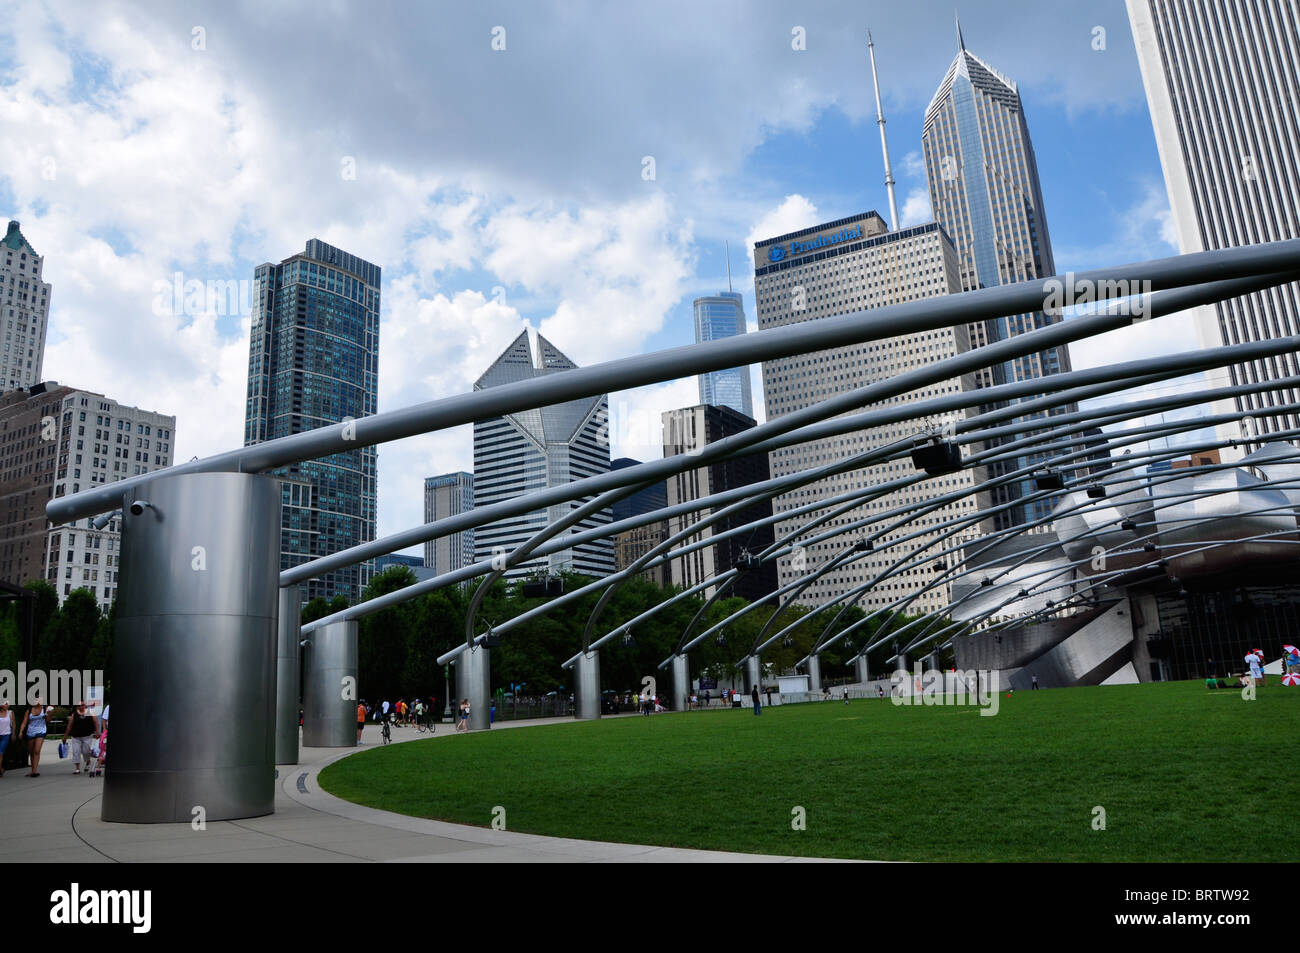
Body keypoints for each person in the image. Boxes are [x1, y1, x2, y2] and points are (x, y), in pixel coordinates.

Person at [62, 700, 99, 776]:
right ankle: (77, 768)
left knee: (86, 751)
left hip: (87, 736)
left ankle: (88, 761)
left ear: (85, 706)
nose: (80, 707)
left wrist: (97, 732)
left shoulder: (91, 712)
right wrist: (65, 736)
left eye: (82, 705)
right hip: (76, 736)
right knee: (76, 751)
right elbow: (69, 726)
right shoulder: (74, 714)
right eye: (79, 705)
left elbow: (96, 722)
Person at [18, 695, 48, 777]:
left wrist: (49, 714)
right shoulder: (29, 710)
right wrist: (21, 732)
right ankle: (32, 770)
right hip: (30, 732)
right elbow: (24, 722)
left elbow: (48, 720)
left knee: (37, 751)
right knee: (31, 752)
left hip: (41, 730)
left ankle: (35, 771)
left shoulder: (44, 709)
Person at [0, 702, 13, 777]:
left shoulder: (10, 713)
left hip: (6, 735)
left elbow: (13, 724)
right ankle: (1, 769)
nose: (7, 705)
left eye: (8, 704)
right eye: (5, 704)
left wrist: (13, 733)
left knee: (0, 753)